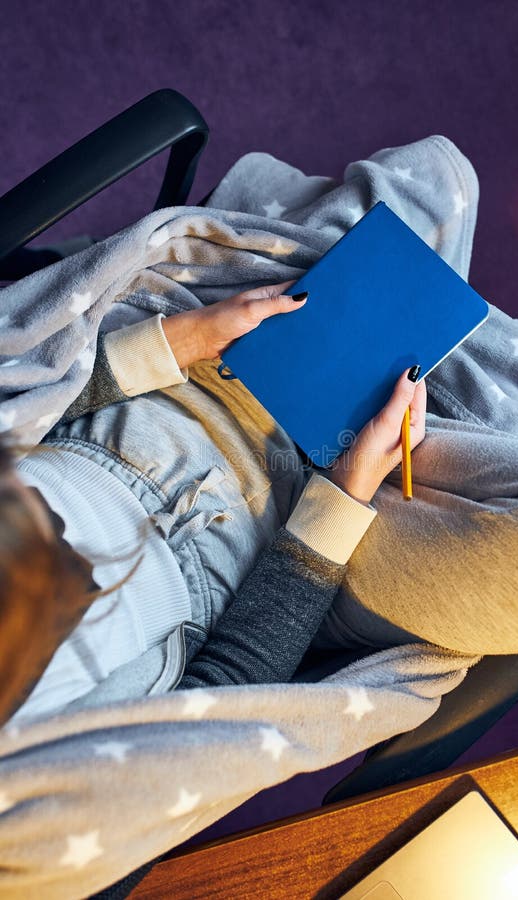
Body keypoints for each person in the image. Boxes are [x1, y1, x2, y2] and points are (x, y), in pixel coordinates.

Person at [0, 279, 427, 728]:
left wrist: (186, 337)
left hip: (107, 407)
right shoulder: (48, 768)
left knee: (359, 261)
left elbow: (15, 410)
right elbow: (229, 692)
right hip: (243, 551)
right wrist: (348, 491)